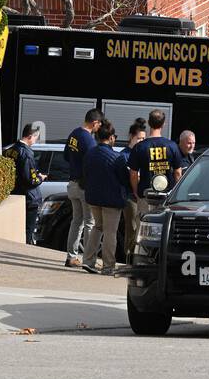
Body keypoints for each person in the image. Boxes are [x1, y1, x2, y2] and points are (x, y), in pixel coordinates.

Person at [82, 123, 129, 275]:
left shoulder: (89, 153)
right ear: (111, 138)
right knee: (110, 232)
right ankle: (108, 266)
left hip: (93, 198)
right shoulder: (117, 157)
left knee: (97, 227)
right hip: (112, 200)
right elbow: (124, 179)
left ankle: (88, 260)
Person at [63, 107, 103, 268]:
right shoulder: (89, 141)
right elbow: (93, 164)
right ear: (94, 123)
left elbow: (66, 156)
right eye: (99, 124)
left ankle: (71, 257)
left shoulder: (74, 134)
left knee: (76, 221)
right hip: (84, 186)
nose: (99, 127)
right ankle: (89, 259)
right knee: (90, 223)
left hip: (72, 183)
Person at [128, 109, 183, 223]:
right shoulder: (172, 146)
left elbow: (133, 174)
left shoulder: (139, 147)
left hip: (145, 194)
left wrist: (136, 192)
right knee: (163, 226)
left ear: (148, 123)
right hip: (166, 196)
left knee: (143, 227)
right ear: (164, 124)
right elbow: (178, 173)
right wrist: (176, 194)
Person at [6, 123, 46, 245]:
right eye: (36, 137)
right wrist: (41, 178)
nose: (36, 140)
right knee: (28, 231)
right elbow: (31, 179)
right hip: (29, 197)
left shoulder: (11, 150)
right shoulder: (26, 153)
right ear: (30, 136)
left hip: (15, 194)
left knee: (16, 229)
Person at [120, 118, 147, 260]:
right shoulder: (124, 155)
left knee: (142, 230)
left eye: (144, 138)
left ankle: (138, 258)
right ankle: (128, 258)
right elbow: (129, 178)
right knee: (131, 229)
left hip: (142, 197)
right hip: (130, 197)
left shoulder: (143, 153)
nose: (141, 141)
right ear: (131, 137)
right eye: (139, 138)